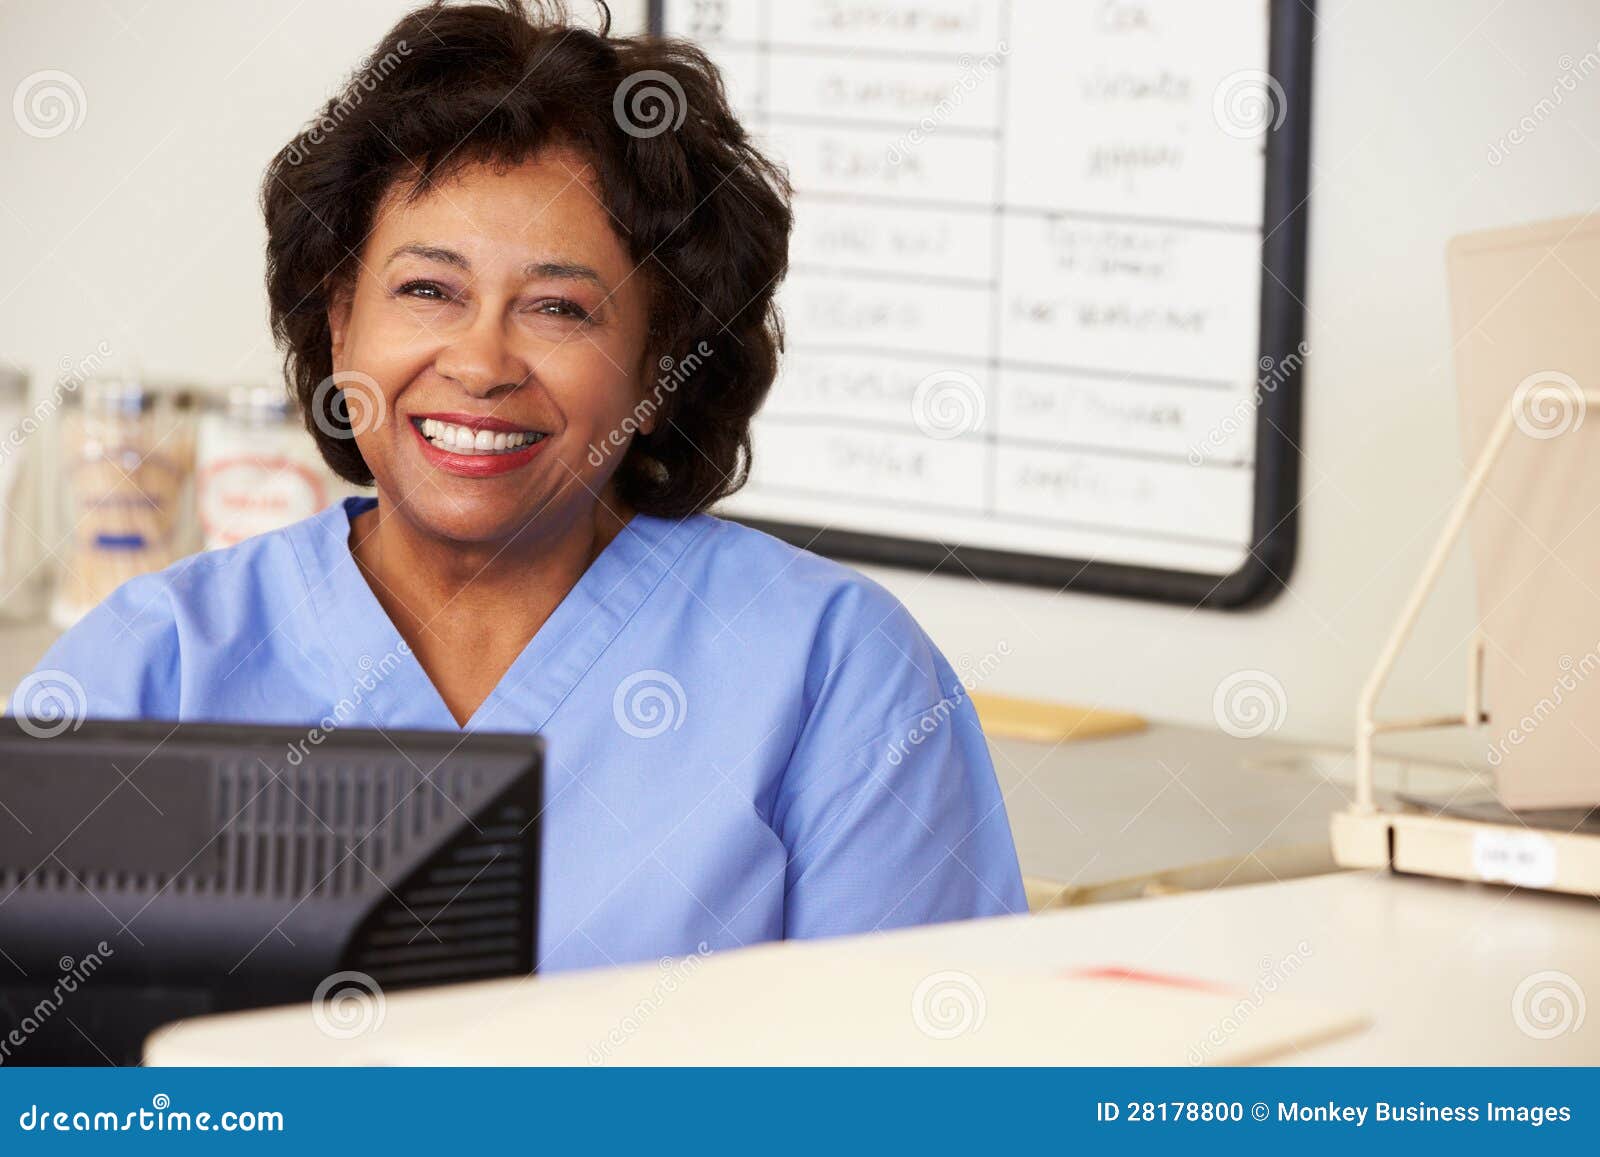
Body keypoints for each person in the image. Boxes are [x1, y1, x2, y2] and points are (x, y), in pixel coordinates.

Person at [27, 0, 1026, 971]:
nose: (480, 361)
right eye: (428, 289)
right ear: (340, 322)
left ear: (658, 360)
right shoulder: (155, 666)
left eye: (558, 307)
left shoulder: (834, 672)